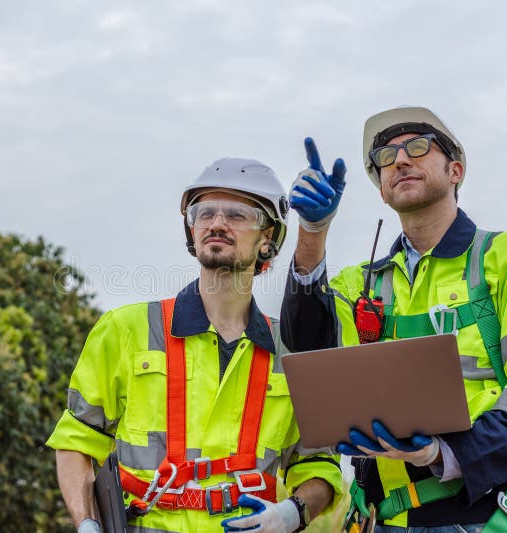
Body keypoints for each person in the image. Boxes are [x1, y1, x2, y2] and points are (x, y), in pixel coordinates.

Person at [281, 106, 507, 531]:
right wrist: (312, 232)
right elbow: (308, 348)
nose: (399, 160)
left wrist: (441, 452)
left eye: (417, 147)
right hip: (377, 519)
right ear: (382, 190)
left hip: (479, 515)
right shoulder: (359, 282)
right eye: (386, 157)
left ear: (455, 170)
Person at [47, 157, 343, 533]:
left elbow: (318, 464)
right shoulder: (125, 329)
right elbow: (76, 442)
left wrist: (293, 513)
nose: (217, 223)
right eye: (204, 212)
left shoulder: (291, 351)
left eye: (237, 214)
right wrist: (87, 524)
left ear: (267, 238)